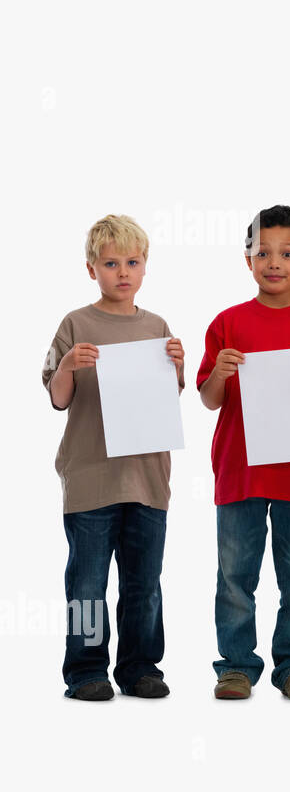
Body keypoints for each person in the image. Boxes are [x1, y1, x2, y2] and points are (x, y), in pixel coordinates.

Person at [196, 206, 290, 701]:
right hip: (239, 471)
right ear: (247, 259)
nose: (274, 262)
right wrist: (220, 370)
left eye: (286, 253)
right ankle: (236, 665)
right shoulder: (227, 323)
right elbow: (208, 399)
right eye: (263, 253)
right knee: (235, 578)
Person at [42, 215, 185, 700]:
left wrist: (178, 365)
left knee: (144, 583)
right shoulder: (76, 324)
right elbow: (59, 399)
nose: (122, 271)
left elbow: (170, 397)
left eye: (132, 262)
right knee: (87, 584)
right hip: (91, 477)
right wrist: (67, 365)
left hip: (147, 477)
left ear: (144, 267)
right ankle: (85, 670)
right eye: (110, 263)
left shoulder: (157, 326)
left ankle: (141, 666)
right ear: (91, 269)